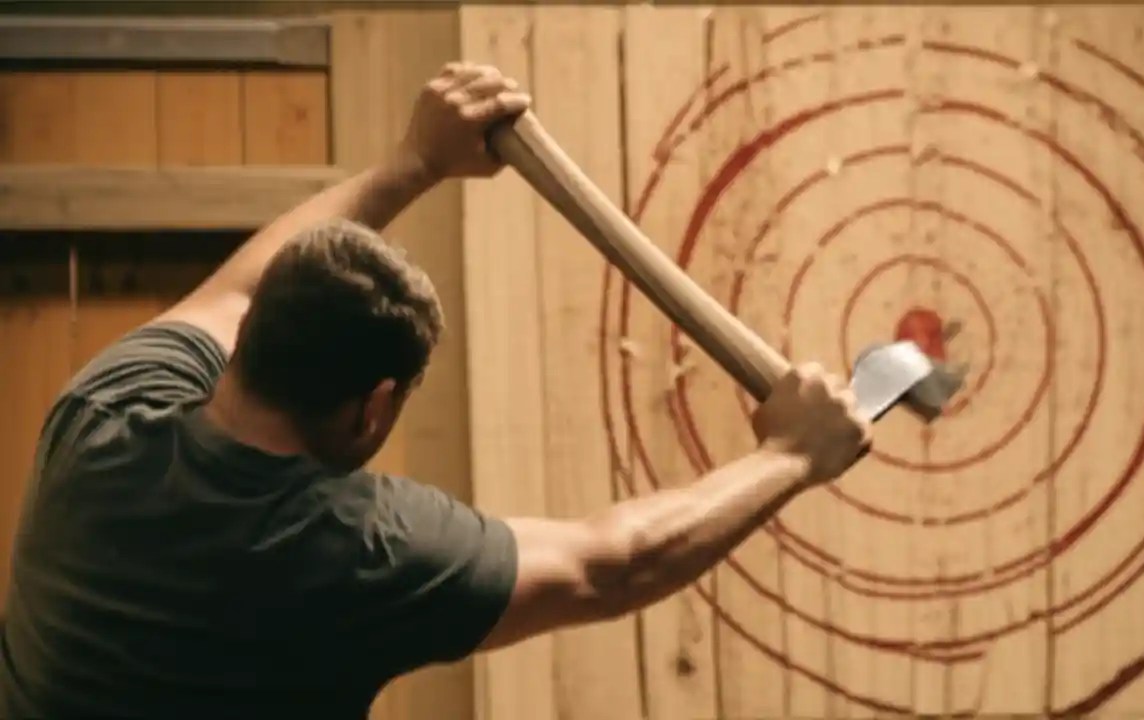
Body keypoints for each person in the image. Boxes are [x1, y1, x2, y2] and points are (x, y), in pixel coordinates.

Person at [0, 62, 870, 719]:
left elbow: (237, 288)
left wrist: (415, 160)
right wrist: (791, 455)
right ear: (373, 407)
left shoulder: (107, 412)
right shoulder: (345, 554)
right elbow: (608, 566)